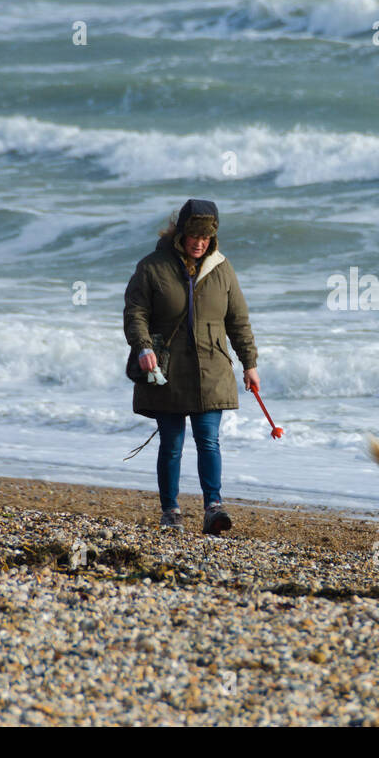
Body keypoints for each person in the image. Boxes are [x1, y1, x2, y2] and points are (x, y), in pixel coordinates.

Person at [123, 198, 259, 534]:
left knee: (209, 440)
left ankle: (213, 507)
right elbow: (135, 313)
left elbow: (238, 321)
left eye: (206, 237)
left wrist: (249, 364)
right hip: (165, 371)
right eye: (193, 235)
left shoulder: (222, 269)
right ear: (180, 233)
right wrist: (142, 347)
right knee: (171, 443)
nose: (199, 242)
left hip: (212, 369)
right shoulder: (152, 267)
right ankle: (170, 511)